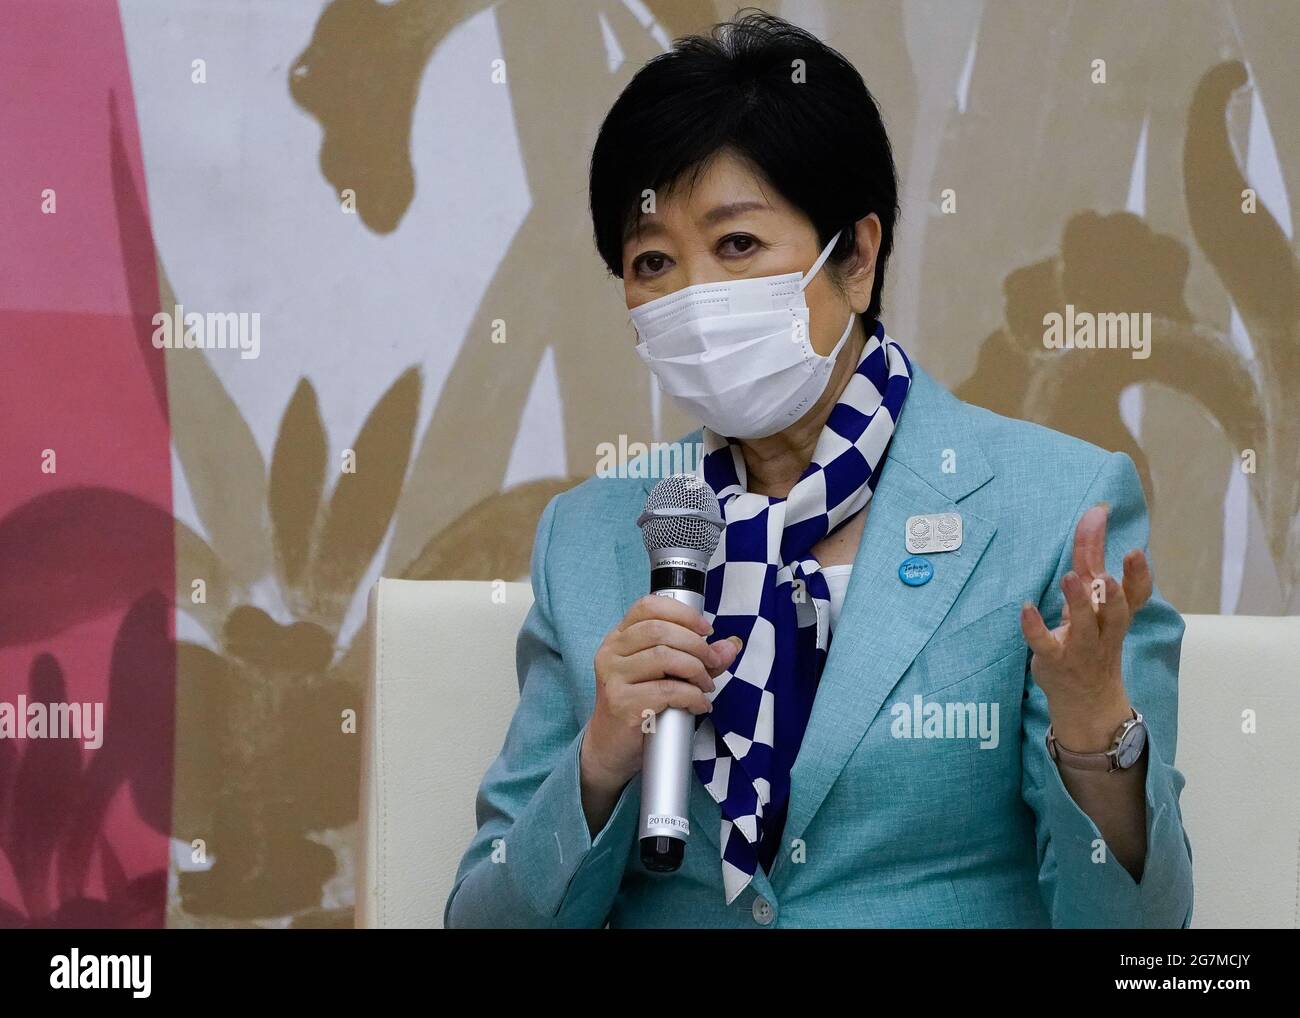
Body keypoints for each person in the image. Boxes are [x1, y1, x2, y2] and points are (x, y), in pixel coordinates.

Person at [444, 9, 1193, 928]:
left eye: (738, 246)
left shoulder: (1055, 509)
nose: (694, 299)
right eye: (652, 263)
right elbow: (484, 919)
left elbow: (1145, 940)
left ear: (859, 256)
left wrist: (1092, 737)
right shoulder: (594, 534)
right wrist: (600, 760)